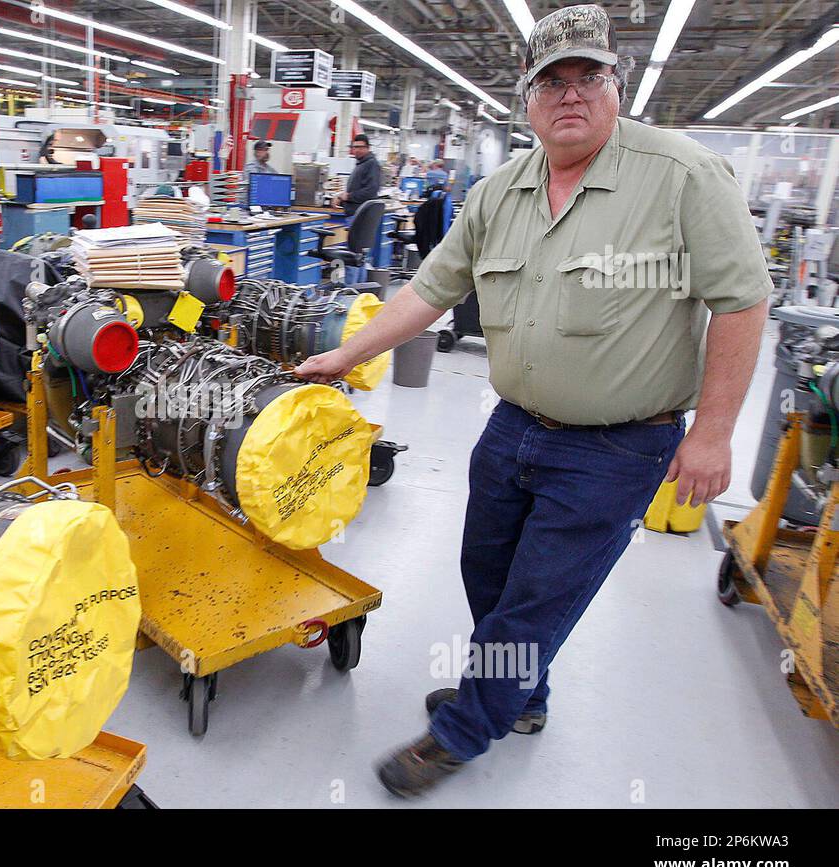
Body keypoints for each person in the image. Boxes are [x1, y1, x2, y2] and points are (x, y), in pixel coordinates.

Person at [295, 3, 771, 798]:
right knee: (488, 577)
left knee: (535, 599)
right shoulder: (498, 193)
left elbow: (742, 300)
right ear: (528, 99)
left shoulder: (682, 174)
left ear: (615, 86)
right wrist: (344, 355)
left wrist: (715, 432)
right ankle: (521, 696)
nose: (571, 94)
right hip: (511, 428)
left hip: (618, 445)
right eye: (553, 81)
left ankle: (463, 730)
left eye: (589, 76)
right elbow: (428, 292)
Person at [336, 133, 381, 215]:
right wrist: (341, 198)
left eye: (360, 147)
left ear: (368, 148)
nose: (357, 150)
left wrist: (348, 196)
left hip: (362, 214)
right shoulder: (361, 163)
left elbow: (371, 191)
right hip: (355, 212)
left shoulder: (371, 164)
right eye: (355, 147)